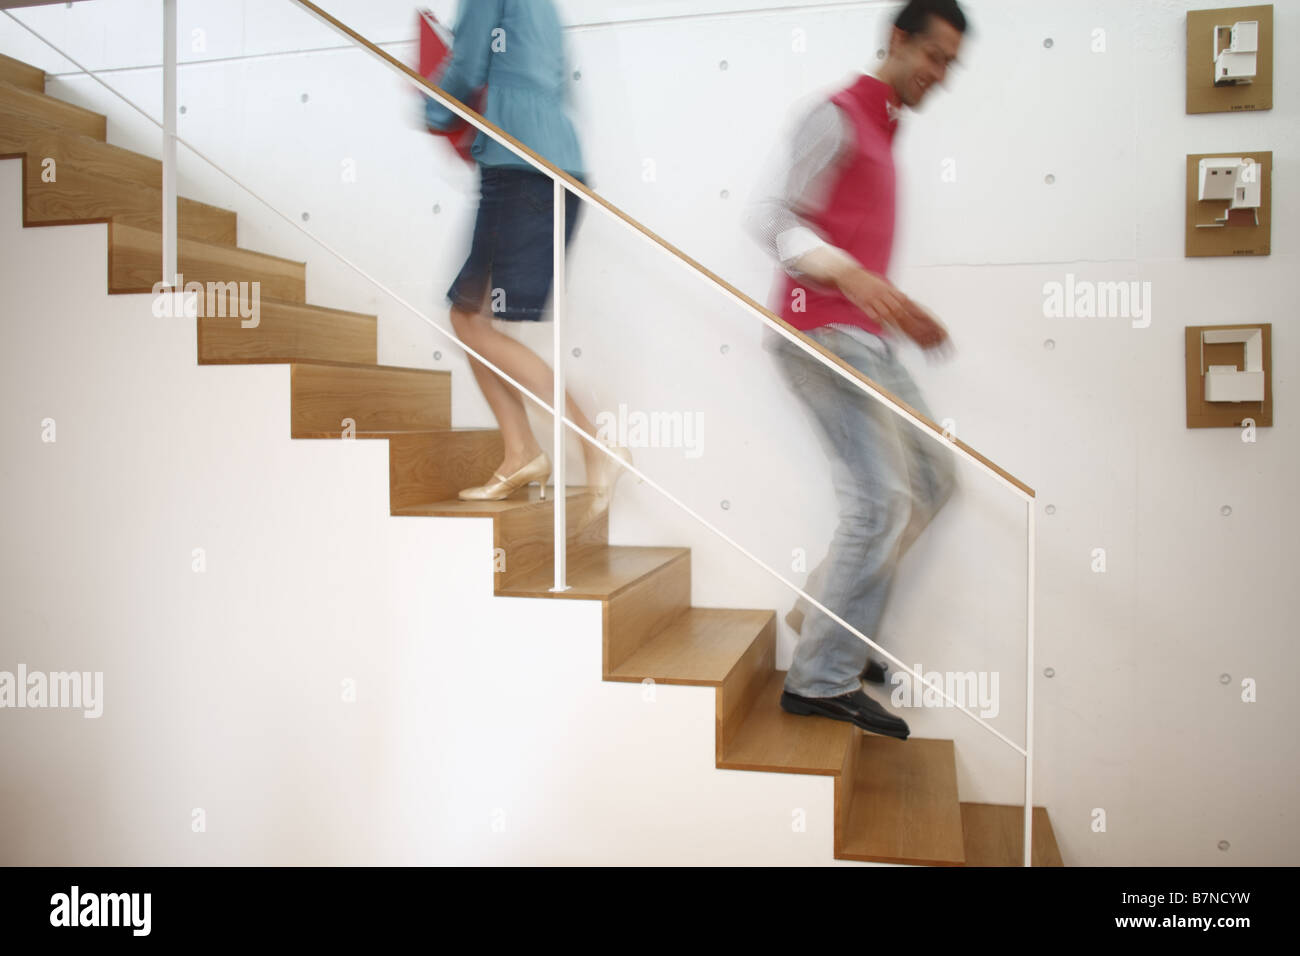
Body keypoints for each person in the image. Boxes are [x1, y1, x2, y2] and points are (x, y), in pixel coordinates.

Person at [744, 0, 967, 740]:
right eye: (934, 57)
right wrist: (847, 275)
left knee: (933, 478)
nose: (941, 76)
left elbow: (854, 255)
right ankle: (819, 679)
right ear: (897, 39)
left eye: (950, 65)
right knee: (880, 501)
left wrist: (893, 305)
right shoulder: (836, 113)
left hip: (865, 339)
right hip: (816, 334)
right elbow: (770, 216)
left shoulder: (884, 130)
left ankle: (826, 620)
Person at [424, 0, 631, 508]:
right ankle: (522, 453)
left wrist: (429, 105)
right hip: (557, 167)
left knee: (469, 318)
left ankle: (593, 442)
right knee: (471, 317)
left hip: (521, 167)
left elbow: (468, 67)